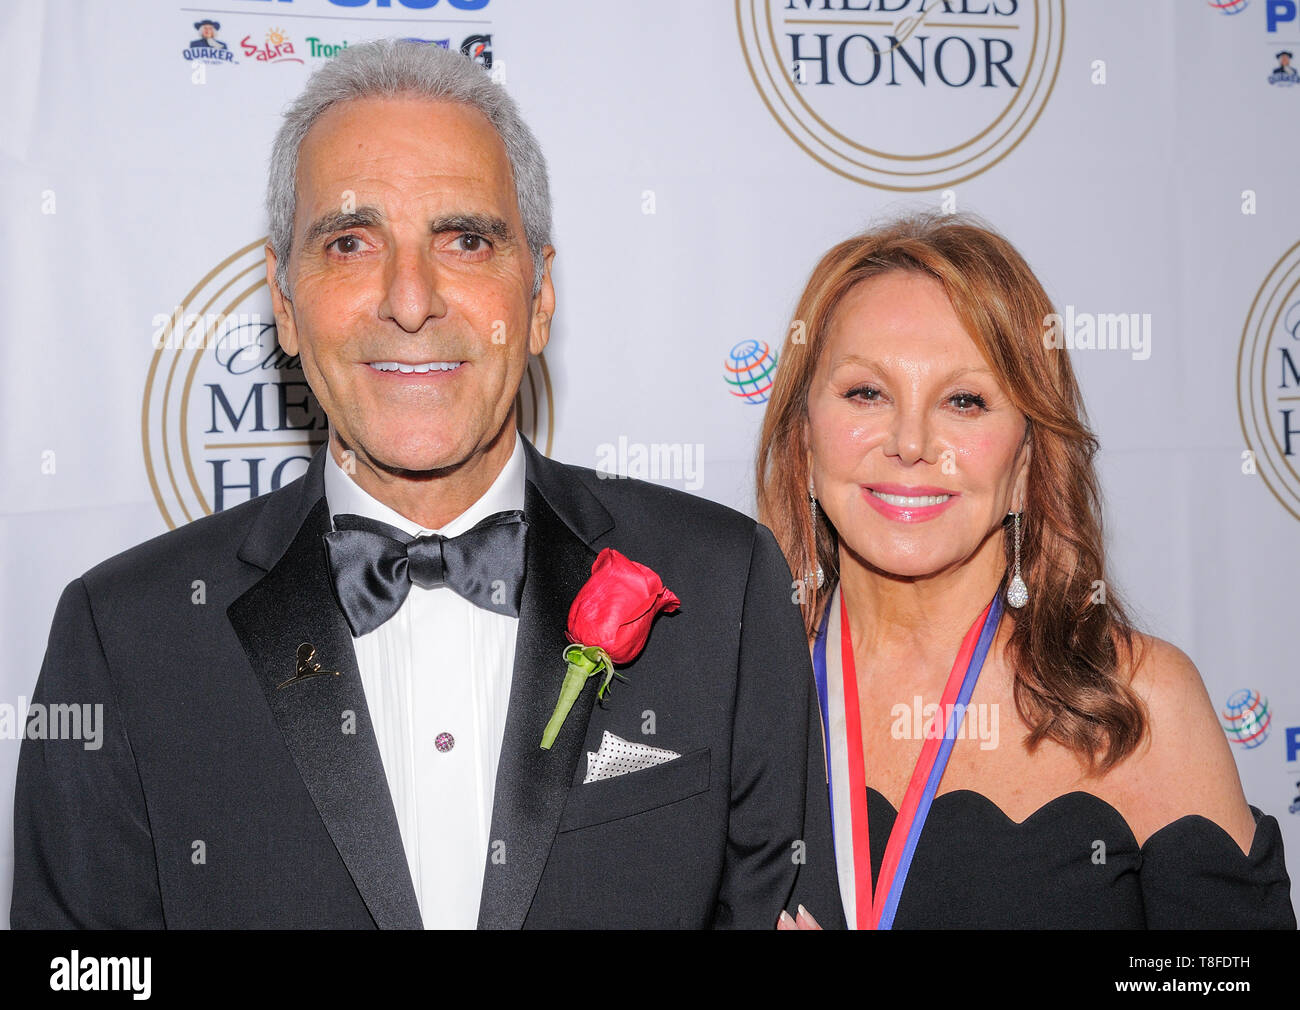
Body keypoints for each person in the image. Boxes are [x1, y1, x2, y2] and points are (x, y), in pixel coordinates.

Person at [11, 39, 842, 930]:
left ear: (540, 298)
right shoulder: (127, 634)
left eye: (467, 239)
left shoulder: (723, 586)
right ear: (284, 304)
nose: (410, 299)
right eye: (350, 241)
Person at [760, 213, 1295, 929]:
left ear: (1025, 465)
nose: (913, 443)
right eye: (866, 393)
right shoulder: (735, 698)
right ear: (803, 445)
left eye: (964, 401)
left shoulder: (1136, 704)